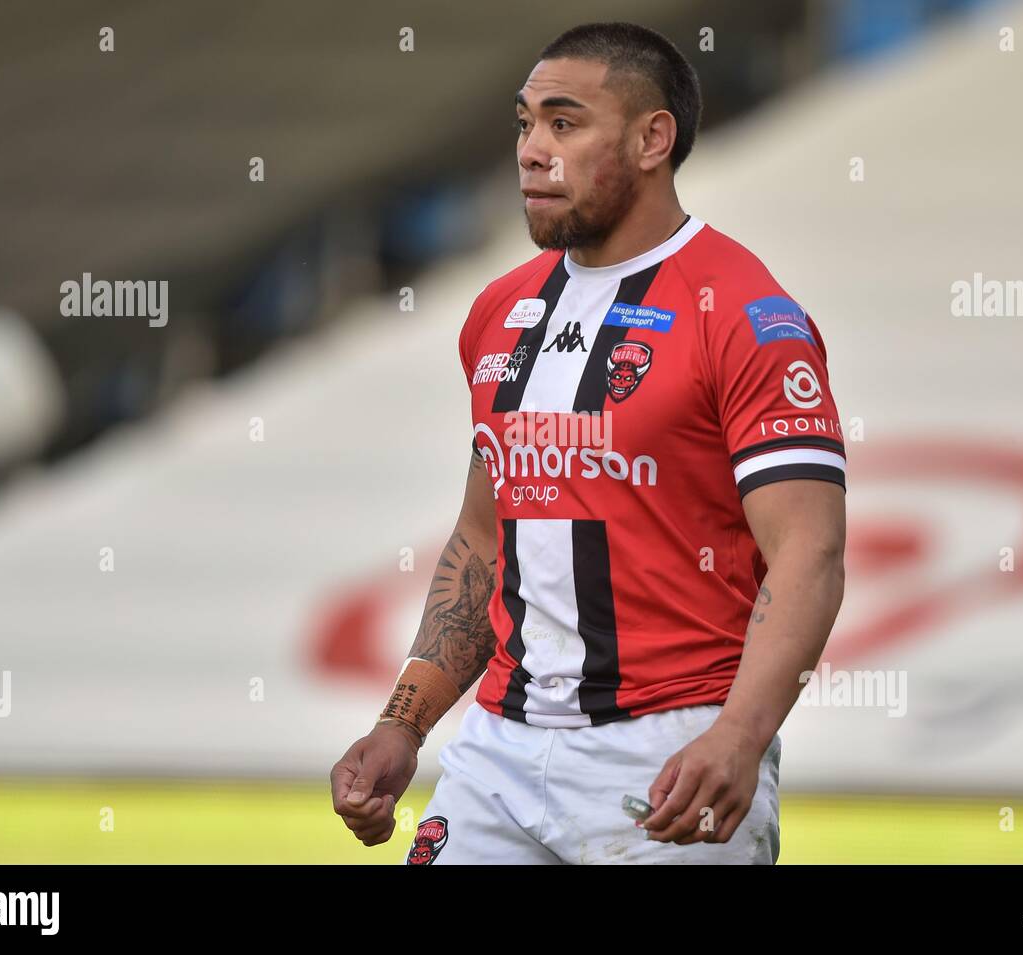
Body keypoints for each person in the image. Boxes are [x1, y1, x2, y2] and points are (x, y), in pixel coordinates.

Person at [331, 20, 847, 864]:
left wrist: (740, 735)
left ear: (652, 140)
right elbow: (484, 536)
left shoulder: (747, 314)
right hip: (499, 746)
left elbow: (809, 551)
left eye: (564, 123)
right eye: (525, 123)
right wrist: (403, 723)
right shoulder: (500, 312)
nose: (532, 151)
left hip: (670, 748)